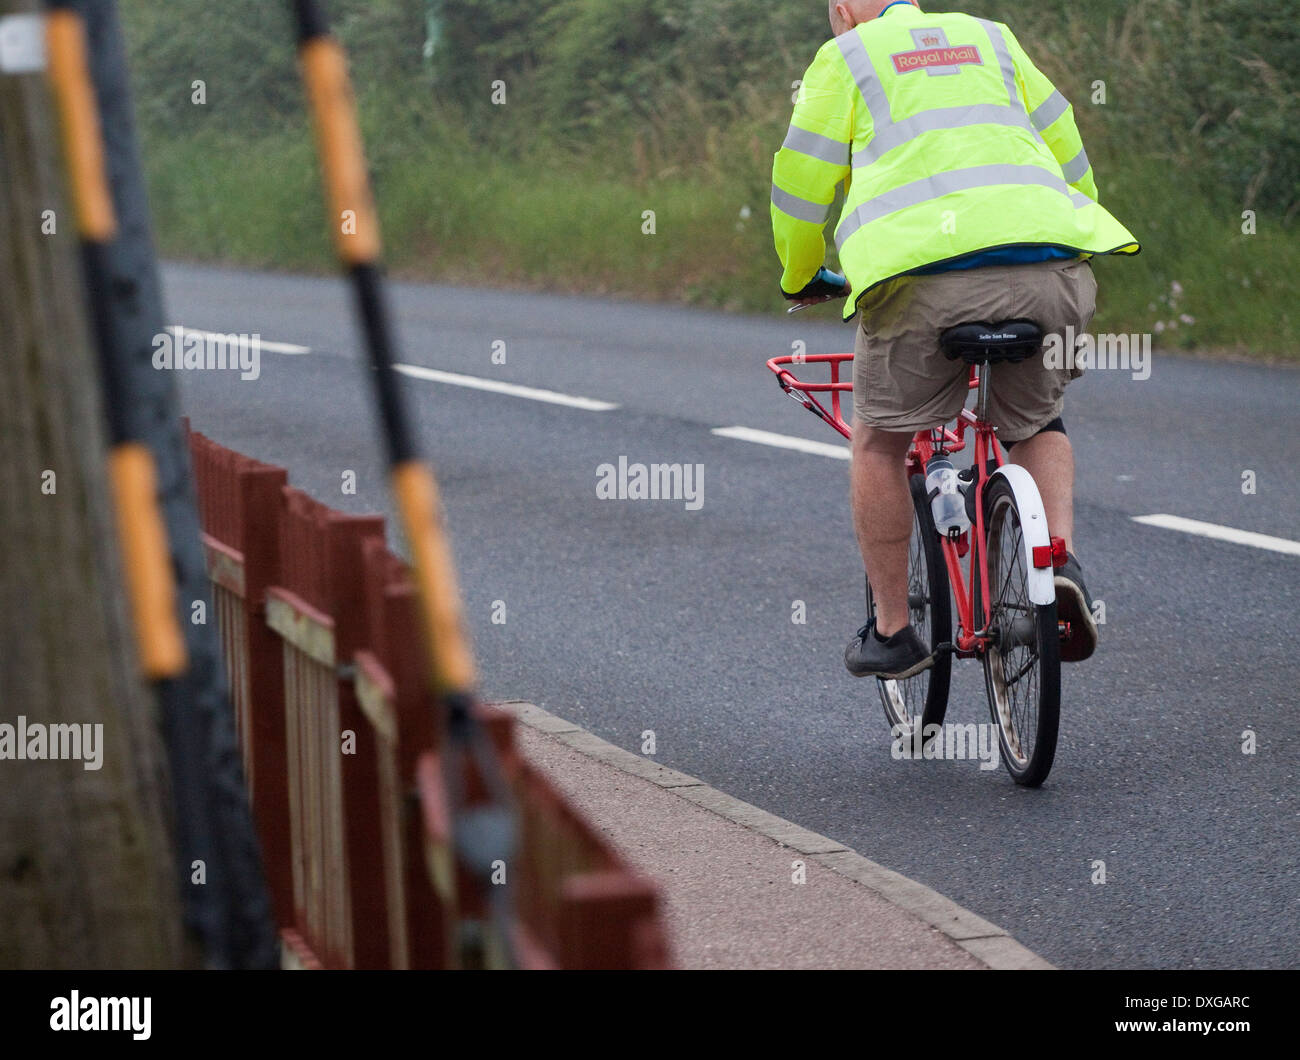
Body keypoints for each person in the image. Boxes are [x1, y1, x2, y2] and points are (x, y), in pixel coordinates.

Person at [771, 0, 1140, 679]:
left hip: (925, 283)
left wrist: (799, 276)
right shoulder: (990, 36)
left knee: (879, 442)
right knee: (1037, 420)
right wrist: (1075, 224)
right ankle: (1056, 564)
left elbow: (799, 188)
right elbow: (1068, 147)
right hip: (1054, 264)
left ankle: (891, 633)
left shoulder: (846, 56)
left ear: (846, 9)